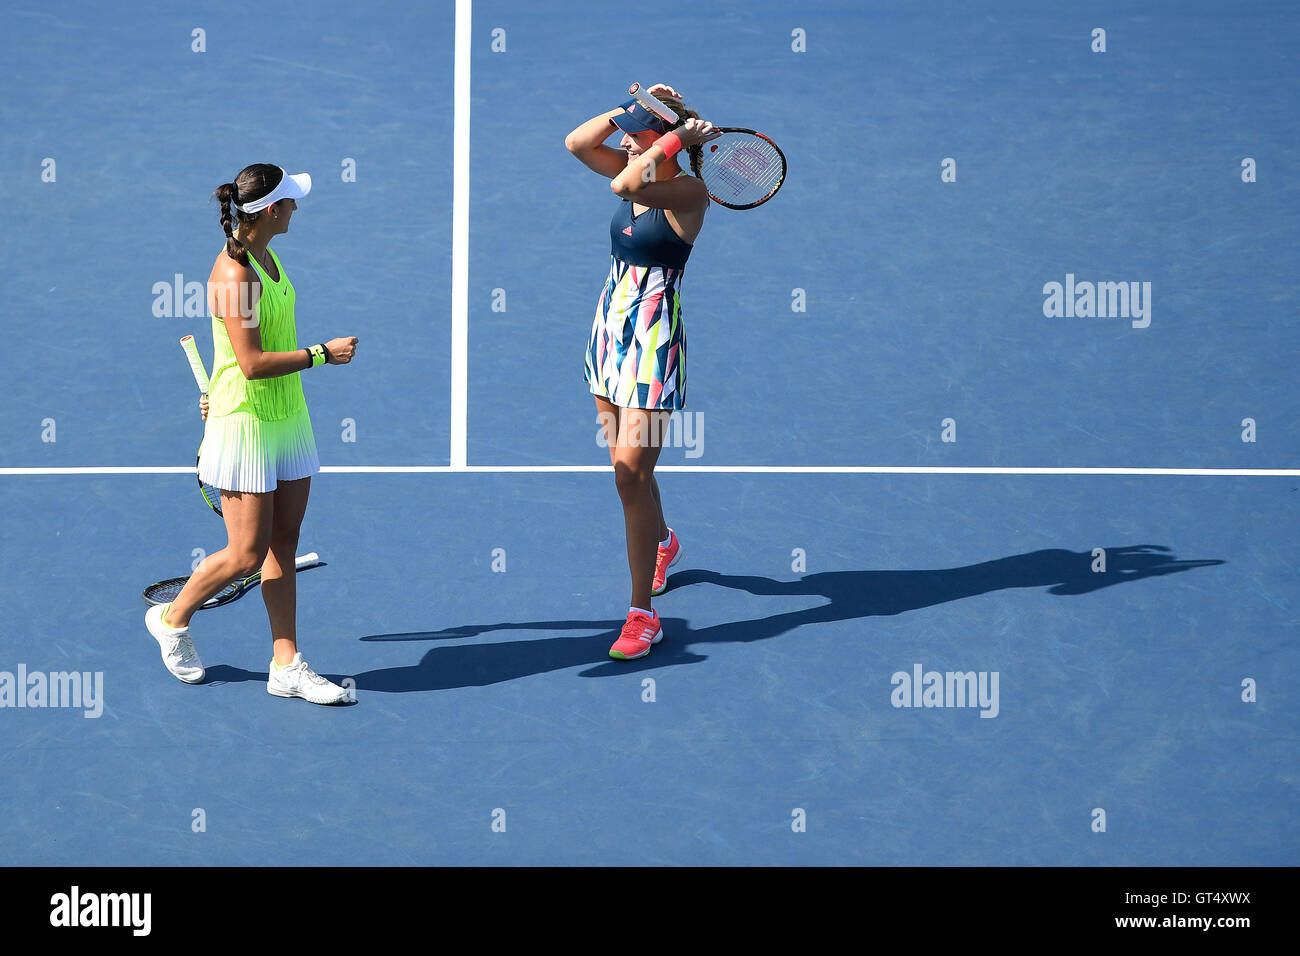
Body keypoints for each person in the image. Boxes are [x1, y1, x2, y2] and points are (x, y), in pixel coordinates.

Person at [145, 163, 358, 704]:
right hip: (246, 425)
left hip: (287, 416)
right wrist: (322, 354)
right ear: (270, 210)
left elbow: (242, 351)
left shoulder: (266, 254)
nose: (297, 208)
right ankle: (171, 619)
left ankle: (286, 666)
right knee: (245, 554)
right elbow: (252, 362)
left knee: (283, 542)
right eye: (291, 201)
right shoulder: (235, 274)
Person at [565, 84, 721, 660]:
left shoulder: (689, 192)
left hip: (654, 344)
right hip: (609, 333)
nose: (626, 142)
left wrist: (676, 136)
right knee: (626, 471)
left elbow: (626, 185)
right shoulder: (638, 165)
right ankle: (662, 540)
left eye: (637, 135)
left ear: (664, 143)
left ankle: (642, 615)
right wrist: (633, 110)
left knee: (630, 475)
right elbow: (577, 143)